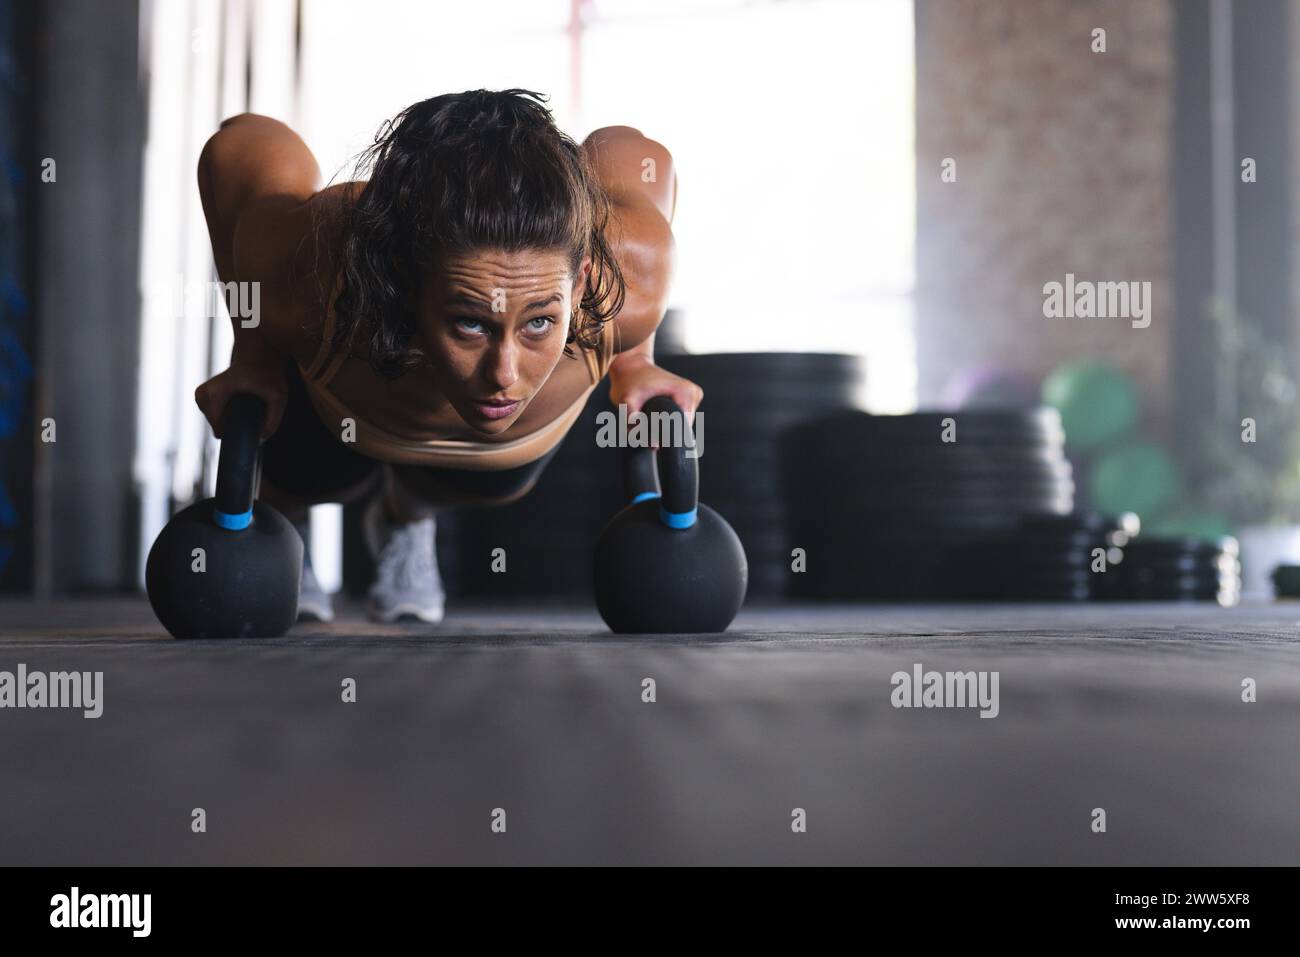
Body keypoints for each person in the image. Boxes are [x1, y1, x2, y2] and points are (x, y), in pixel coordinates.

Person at [194, 89, 700, 624]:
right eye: (469, 323)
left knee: (484, 482)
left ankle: (406, 519)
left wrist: (634, 360)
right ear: (403, 288)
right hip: (341, 414)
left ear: (579, 289)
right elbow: (241, 144)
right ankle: (288, 525)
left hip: (502, 460)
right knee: (315, 474)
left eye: (538, 322)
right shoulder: (311, 264)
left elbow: (634, 150)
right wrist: (250, 353)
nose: (503, 374)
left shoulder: (631, 271)